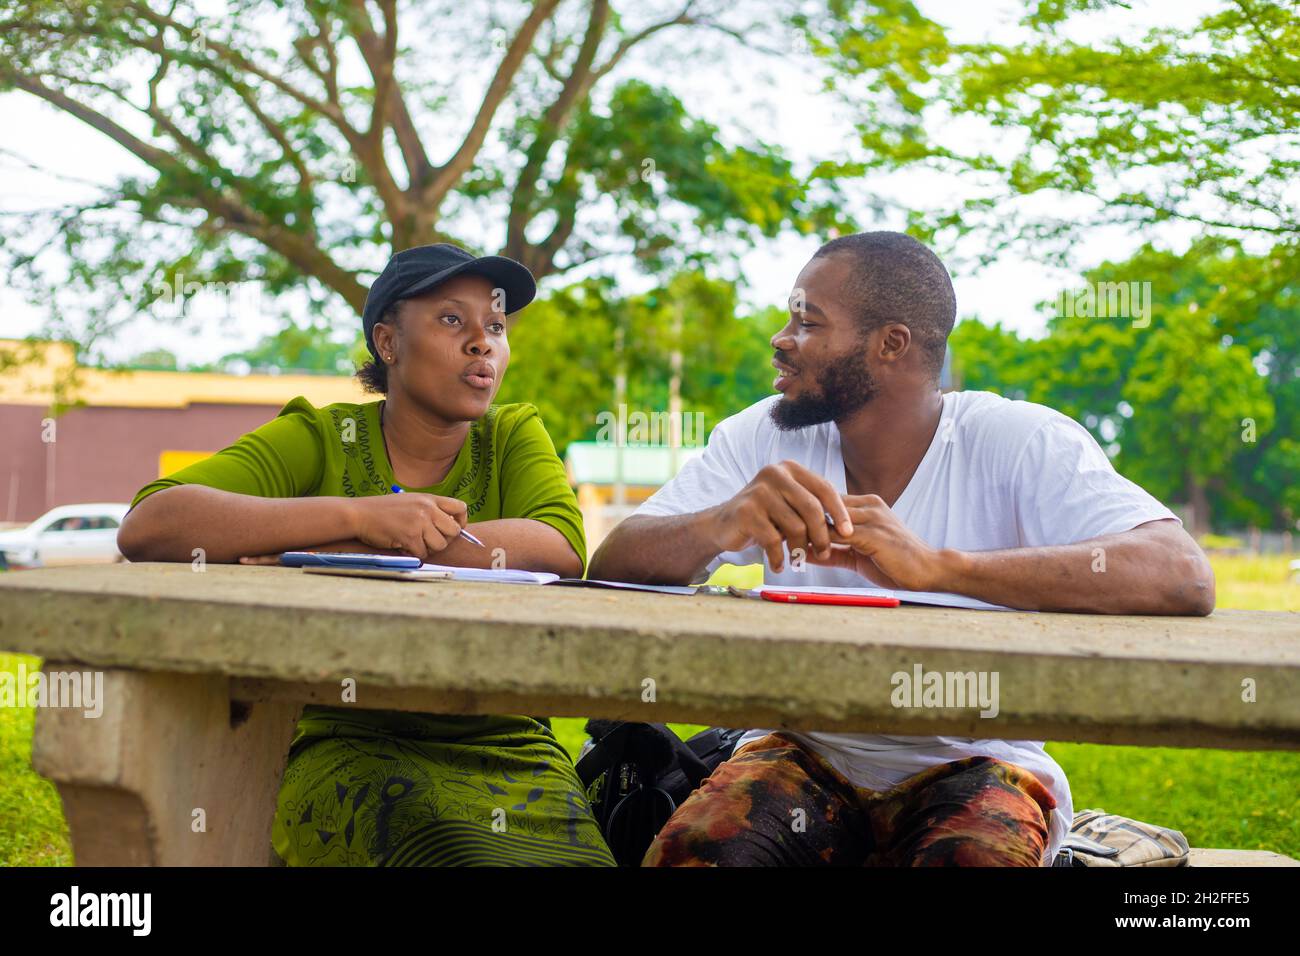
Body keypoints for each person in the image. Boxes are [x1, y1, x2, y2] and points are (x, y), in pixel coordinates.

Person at [588, 231, 1215, 867]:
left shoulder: (1017, 441)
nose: (780, 338)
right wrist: (719, 523)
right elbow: (614, 563)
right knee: (696, 856)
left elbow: (1181, 574)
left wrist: (943, 568)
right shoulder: (761, 435)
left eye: (807, 321)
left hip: (978, 765)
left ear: (891, 344)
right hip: (800, 753)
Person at [118, 243, 615, 867]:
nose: (482, 344)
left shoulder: (512, 435)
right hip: (344, 739)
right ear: (388, 342)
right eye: (452, 320)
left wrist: (334, 548)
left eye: (495, 327)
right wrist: (359, 513)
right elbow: (152, 522)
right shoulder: (324, 438)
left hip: (508, 744)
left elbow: (560, 549)